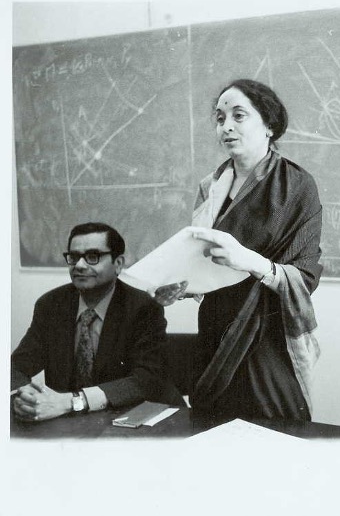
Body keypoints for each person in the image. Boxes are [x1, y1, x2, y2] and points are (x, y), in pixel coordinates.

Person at [156, 79, 323, 423]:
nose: (226, 126)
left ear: (269, 126)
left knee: (271, 434)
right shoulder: (211, 185)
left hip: (266, 333)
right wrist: (181, 284)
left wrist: (248, 260)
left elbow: (304, 277)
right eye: (219, 118)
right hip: (216, 328)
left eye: (238, 116)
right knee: (213, 431)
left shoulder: (296, 186)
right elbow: (201, 261)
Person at [11, 222, 183, 422]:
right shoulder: (51, 305)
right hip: (71, 425)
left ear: (118, 263)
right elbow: (16, 366)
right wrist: (24, 396)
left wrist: (73, 401)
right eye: (73, 257)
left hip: (132, 420)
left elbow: (145, 381)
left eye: (93, 257)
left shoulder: (143, 308)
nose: (80, 265)